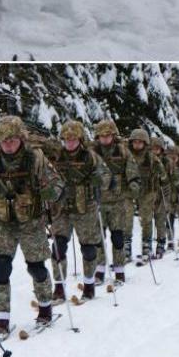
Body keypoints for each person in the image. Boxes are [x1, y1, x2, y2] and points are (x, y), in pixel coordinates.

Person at [0, 116, 63, 334]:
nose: (7, 145)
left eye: (12, 140)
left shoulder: (35, 158)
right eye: (3, 140)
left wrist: (50, 192)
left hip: (32, 221)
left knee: (36, 267)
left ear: (21, 138)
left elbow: (57, 183)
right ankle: (2, 319)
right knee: (1, 267)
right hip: (4, 222)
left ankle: (45, 307)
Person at [46, 120, 110, 302]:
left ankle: (89, 285)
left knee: (89, 249)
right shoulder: (57, 156)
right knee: (58, 247)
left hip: (86, 208)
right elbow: (47, 175)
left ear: (80, 139)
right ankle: (59, 288)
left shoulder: (90, 157)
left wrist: (100, 181)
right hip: (62, 208)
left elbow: (105, 175)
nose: (70, 142)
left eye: (73, 139)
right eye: (66, 139)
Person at [91, 119, 140, 285]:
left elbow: (132, 169)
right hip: (98, 200)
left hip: (118, 200)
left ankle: (119, 270)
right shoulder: (91, 152)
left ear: (113, 135)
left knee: (117, 237)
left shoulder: (122, 151)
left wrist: (133, 183)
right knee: (98, 237)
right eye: (102, 136)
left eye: (108, 135)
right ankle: (99, 270)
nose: (105, 138)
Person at [127, 129, 166, 261]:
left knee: (146, 219)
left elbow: (162, 173)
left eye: (140, 142)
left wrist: (160, 176)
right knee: (126, 219)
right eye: (135, 142)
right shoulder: (127, 154)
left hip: (148, 191)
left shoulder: (150, 157)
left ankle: (146, 245)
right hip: (130, 191)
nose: (137, 145)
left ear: (145, 143)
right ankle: (126, 248)